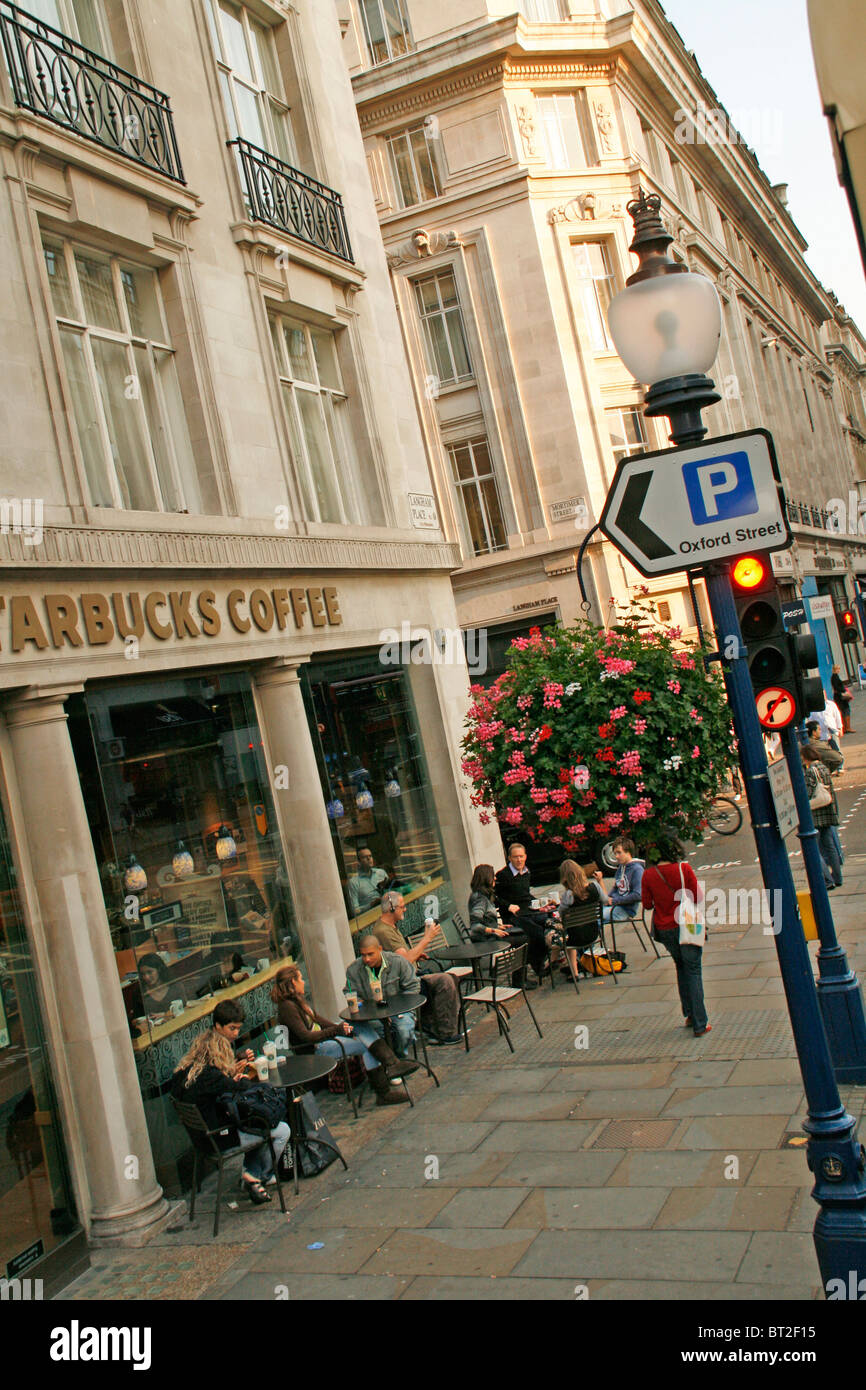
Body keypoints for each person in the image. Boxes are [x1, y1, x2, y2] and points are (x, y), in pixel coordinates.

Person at [170, 999, 290, 1205]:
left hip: (202, 1140)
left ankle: (250, 1174)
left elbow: (217, 1088)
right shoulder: (211, 1077)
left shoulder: (185, 1073)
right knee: (279, 1129)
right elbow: (240, 1088)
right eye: (232, 1029)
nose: (235, 1034)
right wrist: (240, 1077)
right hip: (220, 1139)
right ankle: (262, 1177)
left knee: (255, 1123)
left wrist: (231, 1072)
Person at [271, 965, 408, 1105]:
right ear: (293, 982)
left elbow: (318, 1020)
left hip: (324, 1040)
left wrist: (342, 1028)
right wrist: (337, 1031)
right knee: (366, 1045)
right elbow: (306, 1037)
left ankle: (391, 1064)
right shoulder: (287, 1007)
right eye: (300, 978)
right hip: (315, 1049)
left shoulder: (297, 1000)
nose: (304, 981)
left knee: (360, 1026)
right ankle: (384, 1089)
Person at [641, 833, 709, 1037]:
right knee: (694, 970)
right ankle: (700, 1023)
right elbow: (697, 896)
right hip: (688, 924)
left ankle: (689, 1014)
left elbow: (646, 905)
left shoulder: (648, 875)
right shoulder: (683, 868)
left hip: (666, 928)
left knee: (680, 967)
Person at [372, 893, 463, 1043]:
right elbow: (406, 960)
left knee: (452, 979)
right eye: (402, 907)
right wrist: (427, 938)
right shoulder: (383, 931)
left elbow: (400, 957)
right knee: (445, 981)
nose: (405, 909)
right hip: (402, 983)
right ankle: (443, 1032)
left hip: (411, 975)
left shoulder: (390, 927)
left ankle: (435, 1025)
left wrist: (418, 954)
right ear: (392, 908)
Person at [344, 934, 421, 1057]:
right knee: (374, 1035)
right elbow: (349, 992)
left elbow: (413, 986)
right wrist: (361, 1004)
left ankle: (399, 1059)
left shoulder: (398, 962)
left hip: (399, 1010)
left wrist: (395, 1008)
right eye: (363, 955)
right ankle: (388, 1061)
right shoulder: (353, 970)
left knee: (403, 1029)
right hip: (372, 1014)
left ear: (380, 949)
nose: (367, 959)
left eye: (370, 954)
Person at [494, 843, 558, 980]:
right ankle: (537, 965)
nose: (519, 860)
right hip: (513, 916)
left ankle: (548, 959)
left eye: (521, 857)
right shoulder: (502, 875)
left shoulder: (526, 872)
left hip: (528, 911)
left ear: (525, 857)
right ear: (509, 858)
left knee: (550, 922)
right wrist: (508, 905)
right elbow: (494, 897)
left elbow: (525, 895)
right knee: (536, 933)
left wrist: (543, 903)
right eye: (516, 857)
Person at [468, 864, 533, 987]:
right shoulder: (480, 899)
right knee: (524, 939)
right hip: (486, 939)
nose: (495, 879)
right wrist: (493, 931)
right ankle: (519, 980)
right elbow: (475, 926)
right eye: (493, 877)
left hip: (491, 934)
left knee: (523, 933)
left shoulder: (484, 895)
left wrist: (498, 926)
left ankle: (520, 978)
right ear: (487, 879)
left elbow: (485, 919)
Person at [801, 744, 843, 889]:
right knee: (830, 846)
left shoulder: (810, 772)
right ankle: (838, 877)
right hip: (828, 810)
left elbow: (808, 793)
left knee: (815, 849)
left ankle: (827, 880)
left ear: (806, 757)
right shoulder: (824, 768)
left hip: (816, 813)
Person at [558, 859, 606, 978]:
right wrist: (600, 881)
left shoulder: (568, 895)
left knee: (562, 938)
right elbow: (605, 900)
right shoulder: (594, 886)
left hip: (576, 937)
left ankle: (574, 972)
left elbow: (561, 913)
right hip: (594, 932)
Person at [593, 837, 644, 929]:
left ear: (628, 852)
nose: (616, 856)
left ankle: (592, 943)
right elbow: (616, 888)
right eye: (615, 853)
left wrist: (614, 901)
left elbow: (638, 895)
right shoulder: (621, 868)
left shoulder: (637, 869)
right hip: (615, 906)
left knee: (595, 919)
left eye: (619, 852)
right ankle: (594, 942)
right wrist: (608, 899)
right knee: (591, 916)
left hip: (625, 910)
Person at [347, 847, 388, 916]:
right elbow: (355, 911)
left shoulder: (381, 873)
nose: (369, 859)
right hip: (370, 917)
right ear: (358, 862)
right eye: (364, 857)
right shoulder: (353, 882)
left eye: (370, 856)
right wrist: (371, 905)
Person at [831, 665, 853, 733]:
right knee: (846, 710)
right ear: (835, 669)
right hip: (840, 696)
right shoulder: (835, 677)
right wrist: (844, 691)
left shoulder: (834, 677)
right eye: (837, 669)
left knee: (842, 711)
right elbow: (837, 687)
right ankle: (847, 727)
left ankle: (845, 727)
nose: (839, 670)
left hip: (838, 696)